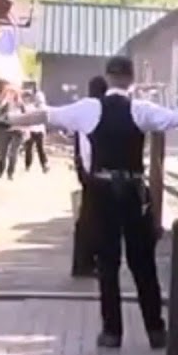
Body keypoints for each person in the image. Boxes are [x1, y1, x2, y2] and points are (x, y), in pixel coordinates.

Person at [0, 56, 178, 349]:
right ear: (131, 78)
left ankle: (112, 332)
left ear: (107, 76)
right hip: (132, 191)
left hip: (100, 192)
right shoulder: (141, 109)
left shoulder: (88, 108)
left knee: (108, 263)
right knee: (143, 263)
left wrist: (7, 120)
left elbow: (44, 115)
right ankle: (155, 330)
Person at [70, 76, 108, 278]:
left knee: (87, 216)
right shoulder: (98, 111)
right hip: (94, 171)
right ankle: (85, 263)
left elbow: (79, 141)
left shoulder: (82, 109)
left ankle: (85, 261)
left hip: (85, 169)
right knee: (92, 218)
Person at [0, 90, 26, 180]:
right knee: (3, 152)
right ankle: (1, 171)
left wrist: (25, 130)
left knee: (13, 153)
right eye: (10, 93)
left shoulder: (21, 105)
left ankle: (10, 173)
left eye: (13, 93)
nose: (12, 95)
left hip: (18, 130)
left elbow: (26, 117)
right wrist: (4, 102)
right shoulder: (6, 104)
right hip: (6, 129)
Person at [22, 90, 50, 173]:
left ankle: (44, 165)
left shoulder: (41, 107)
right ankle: (28, 166)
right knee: (29, 149)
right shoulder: (29, 106)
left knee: (40, 149)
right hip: (30, 130)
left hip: (39, 130)